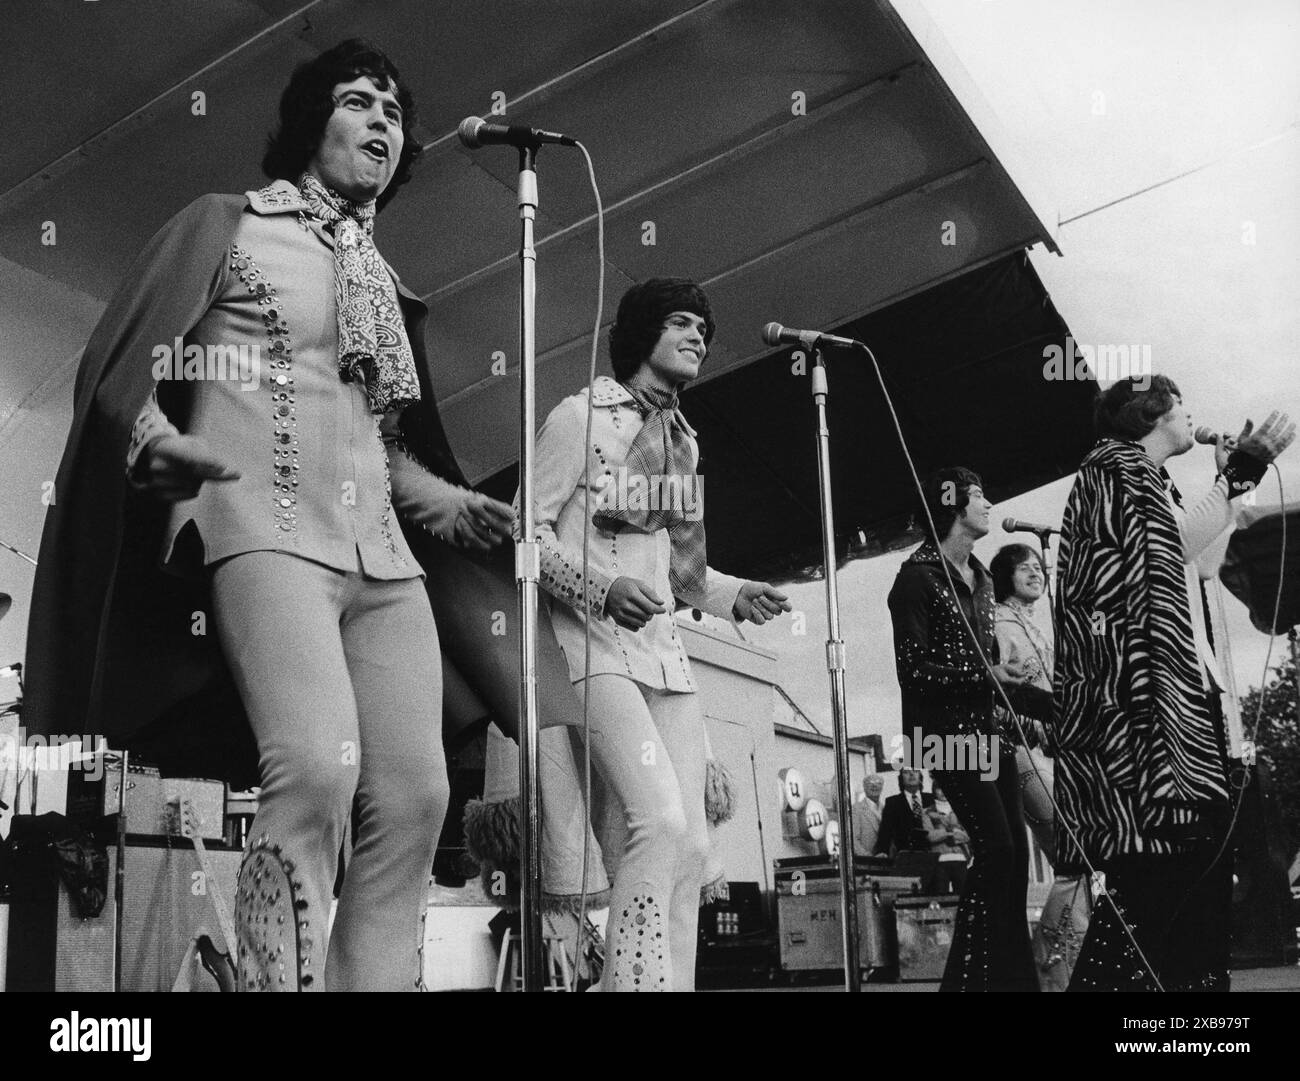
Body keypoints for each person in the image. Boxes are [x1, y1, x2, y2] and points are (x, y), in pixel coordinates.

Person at [24, 40, 495, 991]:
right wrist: (159, 441)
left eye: (395, 114)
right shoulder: (226, 227)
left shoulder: (385, 286)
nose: (382, 124)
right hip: (262, 531)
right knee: (317, 767)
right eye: (359, 103)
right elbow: (125, 373)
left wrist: (450, 503)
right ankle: (273, 982)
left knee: (414, 795)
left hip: (383, 560)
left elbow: (388, 446)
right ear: (308, 123)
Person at [523, 277, 790, 990]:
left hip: (664, 659)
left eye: (704, 325)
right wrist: (601, 587)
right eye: (681, 322)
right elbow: (523, 536)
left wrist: (736, 595)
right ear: (644, 333)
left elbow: (683, 571)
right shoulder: (578, 417)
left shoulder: (683, 442)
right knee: (659, 818)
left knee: (693, 841)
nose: (699, 335)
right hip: (587, 647)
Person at [1054, 376, 1293, 992]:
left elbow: (1197, 559)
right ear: (1152, 416)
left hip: (1165, 713)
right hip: (1135, 722)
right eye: (1182, 407)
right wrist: (1237, 474)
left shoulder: (1145, 480)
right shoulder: (1113, 469)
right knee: (1160, 876)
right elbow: (1169, 545)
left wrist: (1233, 488)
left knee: (1188, 874)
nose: (1193, 418)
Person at [887, 467, 1037, 992]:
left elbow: (987, 665)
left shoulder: (984, 578)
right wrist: (986, 674)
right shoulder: (915, 578)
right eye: (979, 495)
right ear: (952, 506)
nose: (989, 503)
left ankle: (1010, 982)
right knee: (997, 849)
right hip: (944, 735)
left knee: (1013, 854)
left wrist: (1013, 683)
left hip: (988, 732)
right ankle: (971, 983)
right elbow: (913, 670)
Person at [990, 542, 1089, 991]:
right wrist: (1033, 726)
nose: (1036, 572)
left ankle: (1062, 967)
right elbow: (992, 695)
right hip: (1020, 749)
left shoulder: (1037, 626)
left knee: (1080, 862)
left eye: (1038, 566)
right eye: (1024, 567)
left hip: (1055, 751)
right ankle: (1047, 968)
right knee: (1075, 855)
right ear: (1004, 575)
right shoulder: (993, 622)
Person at [923, 782, 970, 894]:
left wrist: (942, 833)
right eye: (940, 788)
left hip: (961, 859)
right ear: (934, 790)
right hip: (939, 860)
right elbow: (930, 836)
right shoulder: (927, 812)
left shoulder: (962, 810)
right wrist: (952, 830)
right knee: (941, 898)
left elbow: (967, 836)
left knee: (963, 897)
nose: (944, 792)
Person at [873, 768, 933, 857]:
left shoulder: (931, 799)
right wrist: (882, 851)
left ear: (920, 776)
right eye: (906, 772)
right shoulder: (892, 802)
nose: (912, 774)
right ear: (901, 778)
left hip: (933, 853)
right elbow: (885, 831)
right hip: (906, 856)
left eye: (915, 771)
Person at [851, 774, 886, 860]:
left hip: (886, 862)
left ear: (882, 787)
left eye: (878, 783)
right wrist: (870, 858)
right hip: (866, 863)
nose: (874, 786)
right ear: (864, 787)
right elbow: (853, 840)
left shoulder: (886, 809)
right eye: (870, 783)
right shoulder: (856, 809)